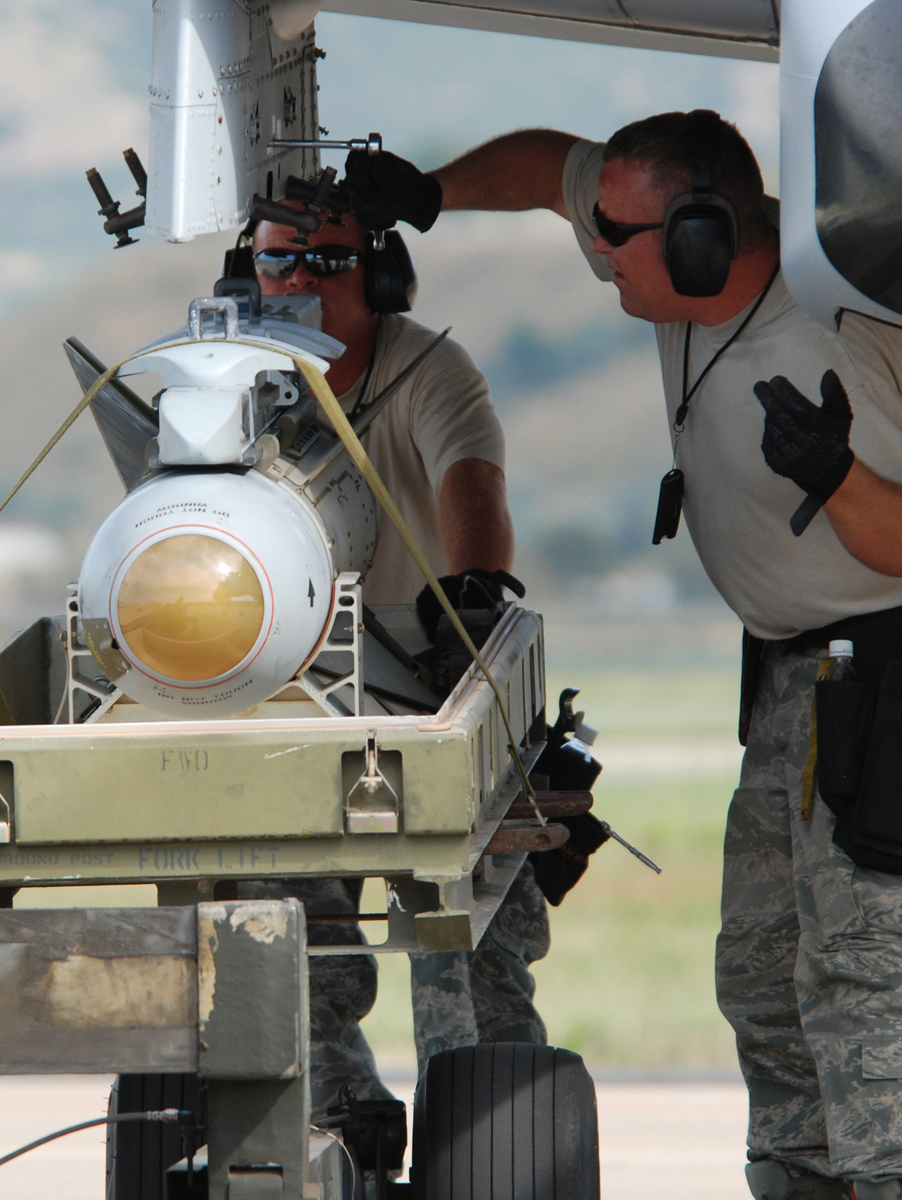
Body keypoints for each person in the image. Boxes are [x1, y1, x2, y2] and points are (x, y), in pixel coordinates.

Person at [343, 112, 902, 1200]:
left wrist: (835, 473)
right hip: (805, 674)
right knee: (761, 978)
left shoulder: (812, 338)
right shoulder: (676, 259)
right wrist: (427, 193)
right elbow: (548, 169)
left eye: (617, 234)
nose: (595, 248)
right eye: (598, 226)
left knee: (866, 978)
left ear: (702, 238)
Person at [232, 200, 553, 1116]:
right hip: (288, 689)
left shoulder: (429, 371)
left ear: (377, 279)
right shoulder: (231, 380)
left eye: (326, 265)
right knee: (279, 925)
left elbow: (472, 486)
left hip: (428, 671)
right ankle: (338, 1110)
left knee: (468, 946)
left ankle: (490, 1122)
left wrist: (473, 589)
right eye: (276, 264)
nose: (295, 286)